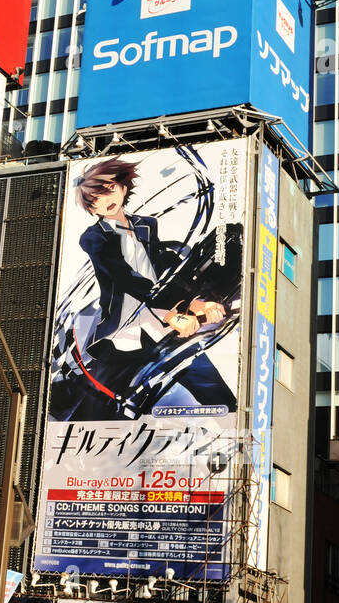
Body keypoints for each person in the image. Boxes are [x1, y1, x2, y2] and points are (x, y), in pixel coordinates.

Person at [65, 158, 237, 418]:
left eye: (110, 188)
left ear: (123, 187)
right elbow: (127, 279)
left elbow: (164, 273)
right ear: (91, 207)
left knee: (220, 398)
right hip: (125, 333)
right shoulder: (94, 238)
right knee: (98, 407)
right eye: (95, 198)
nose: (106, 199)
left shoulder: (147, 225)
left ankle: (244, 448)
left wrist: (196, 303)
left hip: (168, 330)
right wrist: (171, 313)